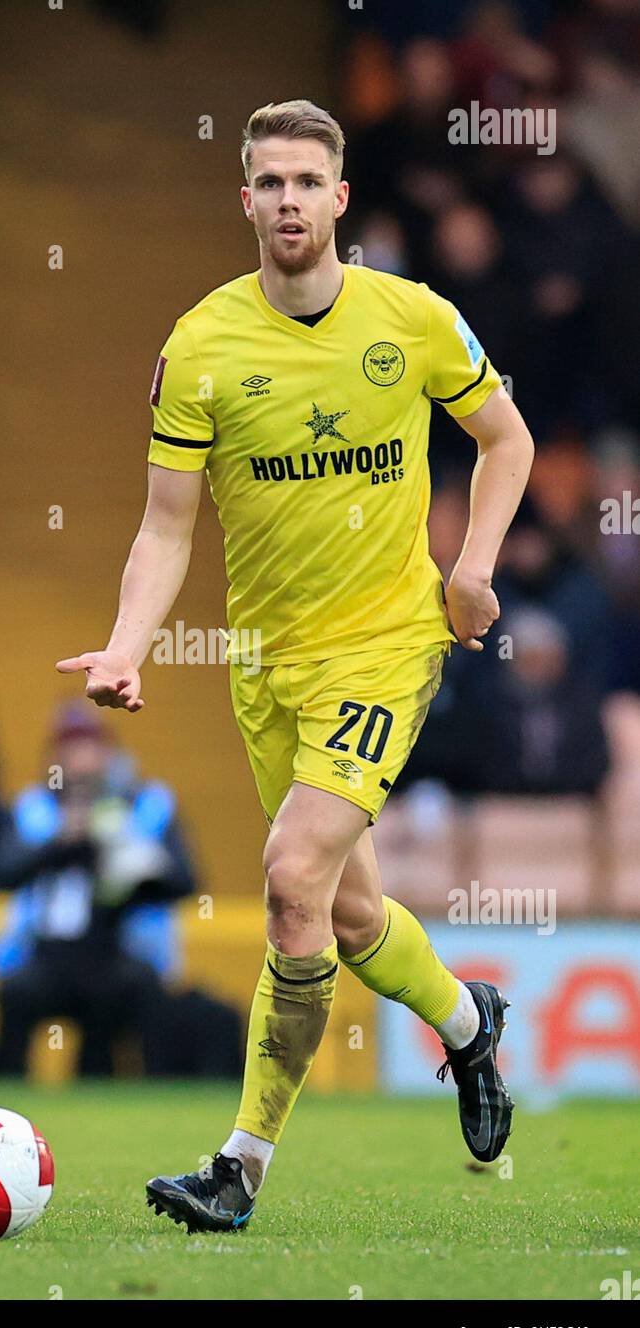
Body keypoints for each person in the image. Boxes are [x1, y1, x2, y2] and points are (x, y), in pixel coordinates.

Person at [58, 100, 535, 1233]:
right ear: (245, 200)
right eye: (268, 182)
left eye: (306, 182)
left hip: (384, 649)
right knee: (349, 918)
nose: (287, 200)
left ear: (339, 198)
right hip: (265, 667)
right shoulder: (201, 346)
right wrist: (127, 643)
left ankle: (240, 1166)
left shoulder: (412, 319)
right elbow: (165, 525)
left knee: (288, 881)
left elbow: (505, 438)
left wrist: (472, 569)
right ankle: (468, 1024)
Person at [0, 702, 228, 1078]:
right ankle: (7, 1086)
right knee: (15, 996)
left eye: (92, 748)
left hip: (119, 949)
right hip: (45, 953)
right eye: (70, 748)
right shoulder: (33, 808)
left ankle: (126, 1083)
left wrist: (125, 855)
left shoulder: (146, 806)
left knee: (126, 997)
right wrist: (59, 845)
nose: (82, 762)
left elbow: (184, 881)